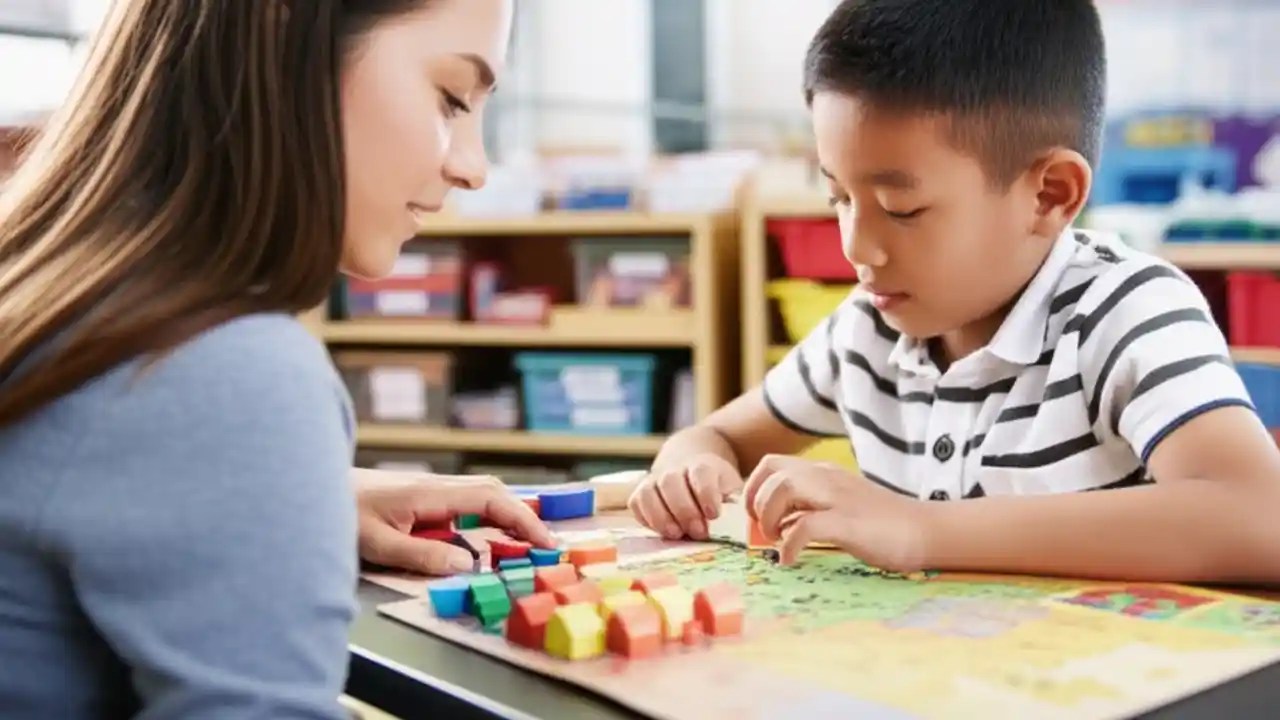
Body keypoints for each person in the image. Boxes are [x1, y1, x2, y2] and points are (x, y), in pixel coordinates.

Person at [0, 1, 549, 718]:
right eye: (450, 98)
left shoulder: (56, 283)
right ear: (290, 39)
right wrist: (255, 458)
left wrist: (293, 490)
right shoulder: (226, 370)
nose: (472, 166)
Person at [630, 0, 1280, 583]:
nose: (856, 247)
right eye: (838, 197)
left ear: (1049, 194)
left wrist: (916, 529)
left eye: (901, 208)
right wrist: (688, 467)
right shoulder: (866, 333)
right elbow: (714, 438)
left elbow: (1260, 517)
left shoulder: (1127, 311)